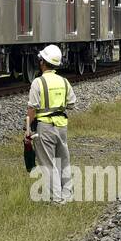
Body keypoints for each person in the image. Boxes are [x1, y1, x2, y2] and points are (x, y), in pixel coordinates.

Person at [26, 45, 74, 204]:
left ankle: (57, 200)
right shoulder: (64, 82)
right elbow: (71, 103)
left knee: (48, 164)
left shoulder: (38, 82)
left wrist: (27, 129)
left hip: (45, 127)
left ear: (42, 62)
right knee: (63, 161)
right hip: (62, 126)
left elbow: (32, 108)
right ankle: (67, 196)